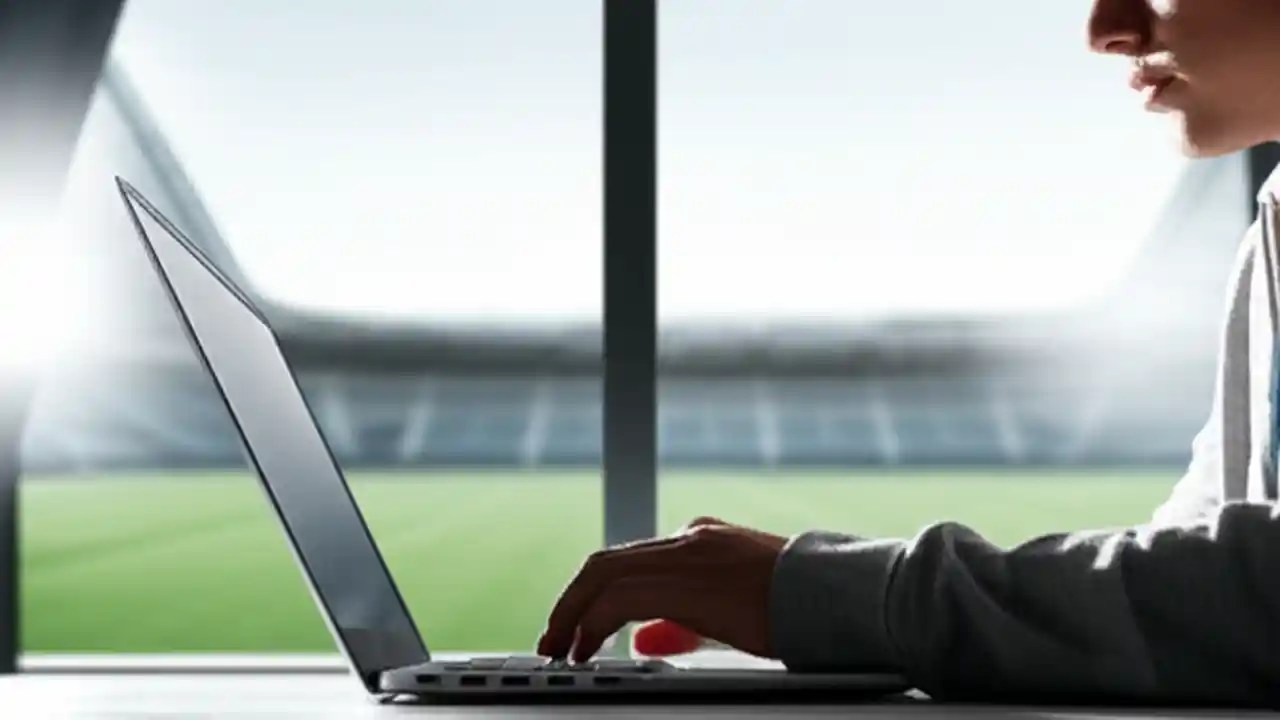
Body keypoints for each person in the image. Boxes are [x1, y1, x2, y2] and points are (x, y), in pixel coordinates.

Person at [537, 0, 1280, 705]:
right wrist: (808, 607)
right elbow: (1198, 573)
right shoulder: (1273, 225)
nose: (1106, 29)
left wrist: (825, 596)